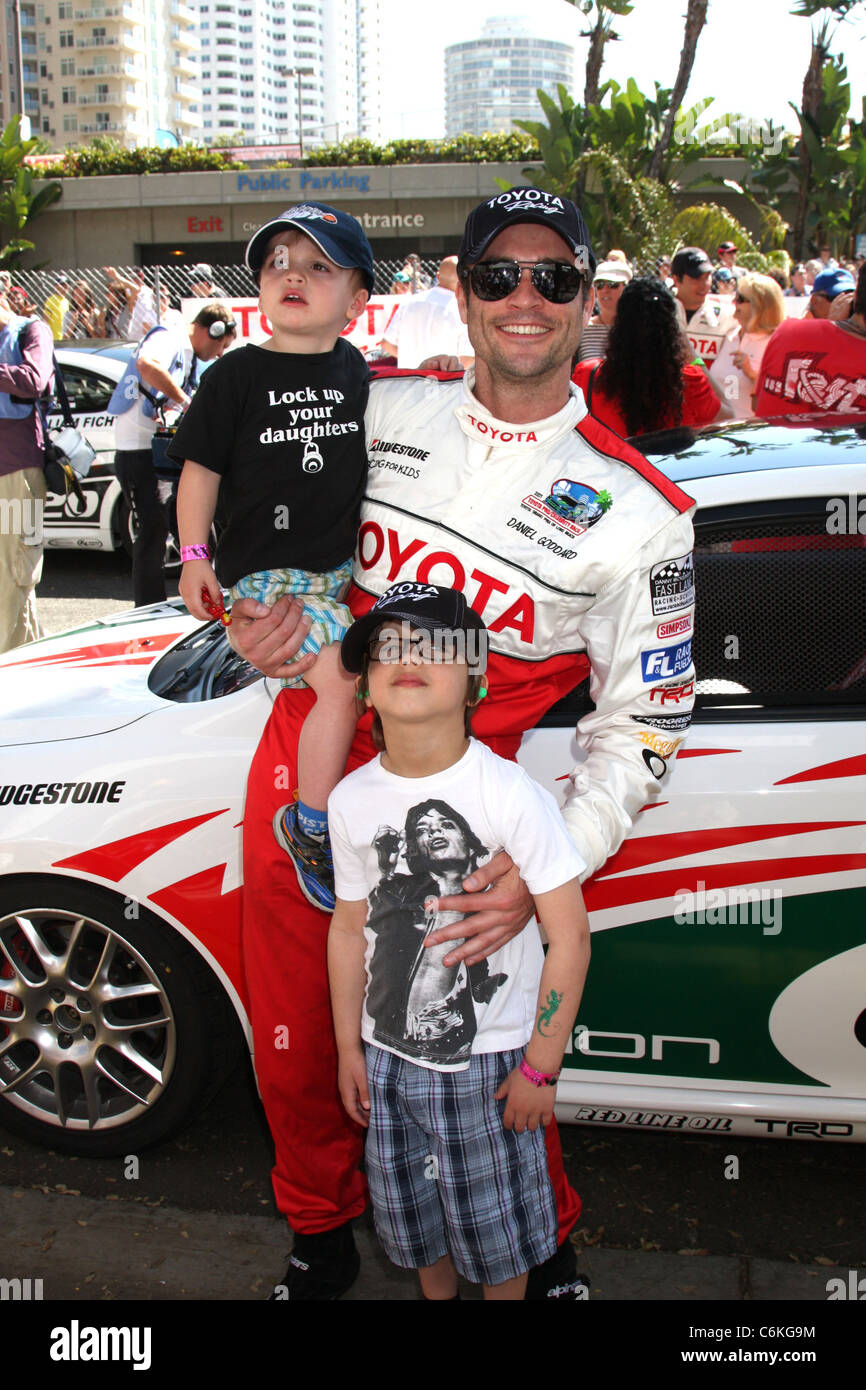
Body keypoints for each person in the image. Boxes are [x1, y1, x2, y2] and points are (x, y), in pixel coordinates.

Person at [229, 185, 696, 1302]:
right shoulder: (376, 406)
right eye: (496, 275)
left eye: (553, 278)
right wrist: (248, 616)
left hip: (463, 817)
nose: (523, 299)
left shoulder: (641, 511)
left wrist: (549, 865)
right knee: (297, 1033)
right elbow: (253, 526)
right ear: (460, 289)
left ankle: (540, 1252)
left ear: (591, 299)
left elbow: (647, 720)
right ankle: (318, 1230)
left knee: (483, 1056)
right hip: (305, 760)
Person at [328, 584, 590, 1301]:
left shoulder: (510, 795)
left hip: (488, 1069)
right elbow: (349, 928)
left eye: (432, 644)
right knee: (414, 1226)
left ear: (475, 681)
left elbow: (569, 938)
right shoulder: (351, 801)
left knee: (495, 1237)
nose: (406, 657)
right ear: (366, 689)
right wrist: (349, 1048)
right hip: (384, 1061)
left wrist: (541, 1064)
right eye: (387, 646)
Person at [170, 203, 373, 912]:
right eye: (278, 262)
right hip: (263, 584)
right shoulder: (232, 378)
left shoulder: (362, 374)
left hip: (336, 582)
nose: (294, 275)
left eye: (320, 266)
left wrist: (441, 366)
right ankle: (310, 824)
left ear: (357, 301)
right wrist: (195, 556)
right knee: (344, 680)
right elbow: (199, 472)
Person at [110, 301, 236, 608]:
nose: (219, 355)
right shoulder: (171, 338)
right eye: (222, 345)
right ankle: (148, 610)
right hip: (139, 452)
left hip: (159, 454)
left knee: (191, 529)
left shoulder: (187, 354)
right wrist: (184, 403)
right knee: (153, 534)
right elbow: (146, 364)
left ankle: (207, 598)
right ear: (213, 330)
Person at [573, 276, 731, 435]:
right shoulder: (689, 381)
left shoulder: (589, 375)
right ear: (672, 331)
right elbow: (728, 416)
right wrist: (693, 356)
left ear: (619, 325)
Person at [0, 286, 53, 652]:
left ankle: (13, 665)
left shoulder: (30, 331)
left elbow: (34, 380)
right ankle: (27, 661)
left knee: (18, 572)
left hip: (19, 473)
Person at [755, 260, 866, 416]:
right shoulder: (789, 333)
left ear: (856, 298)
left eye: (847, 297)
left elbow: (757, 403)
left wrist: (833, 330)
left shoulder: (787, 332)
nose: (840, 302)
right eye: (835, 297)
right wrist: (833, 330)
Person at [710, 272, 785, 420]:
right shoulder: (730, 336)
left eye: (740, 299)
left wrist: (750, 373)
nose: (734, 301)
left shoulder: (775, 343)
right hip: (717, 432)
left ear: (760, 306)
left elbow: (779, 401)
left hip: (750, 435)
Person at [380, 255, 473, 368]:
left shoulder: (408, 303)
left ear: (438, 277)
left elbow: (387, 344)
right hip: (443, 382)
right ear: (464, 282)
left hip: (408, 381)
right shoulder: (462, 311)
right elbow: (467, 359)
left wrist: (410, 358)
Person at [671, 246, 735, 365]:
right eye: (696, 278)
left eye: (707, 277)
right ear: (676, 280)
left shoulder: (727, 314)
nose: (704, 284)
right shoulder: (660, 312)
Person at [576, 257, 632, 362]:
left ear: (626, 287)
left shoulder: (636, 328)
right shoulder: (583, 327)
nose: (605, 290)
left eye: (612, 284)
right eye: (600, 285)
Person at [42, 276, 69, 340]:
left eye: (66, 284)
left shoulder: (67, 301)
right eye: (62, 284)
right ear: (56, 286)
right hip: (53, 338)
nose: (65, 286)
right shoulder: (51, 300)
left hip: (65, 338)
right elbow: (45, 319)